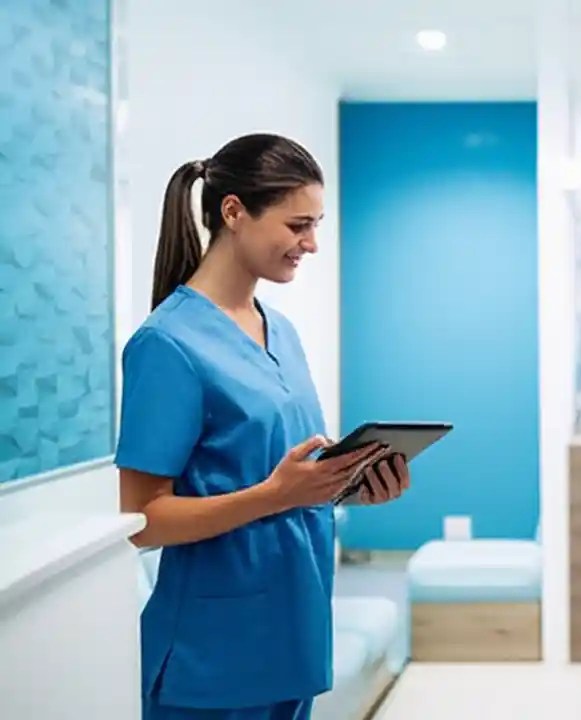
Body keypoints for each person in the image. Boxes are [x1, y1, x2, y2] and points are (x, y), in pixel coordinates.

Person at [116, 133, 410, 720]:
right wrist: (277, 495)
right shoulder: (167, 345)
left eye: (317, 224)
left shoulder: (282, 333)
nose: (312, 243)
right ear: (233, 212)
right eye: (298, 224)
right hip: (213, 655)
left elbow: (289, 479)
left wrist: (348, 485)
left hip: (291, 635)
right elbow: (143, 521)